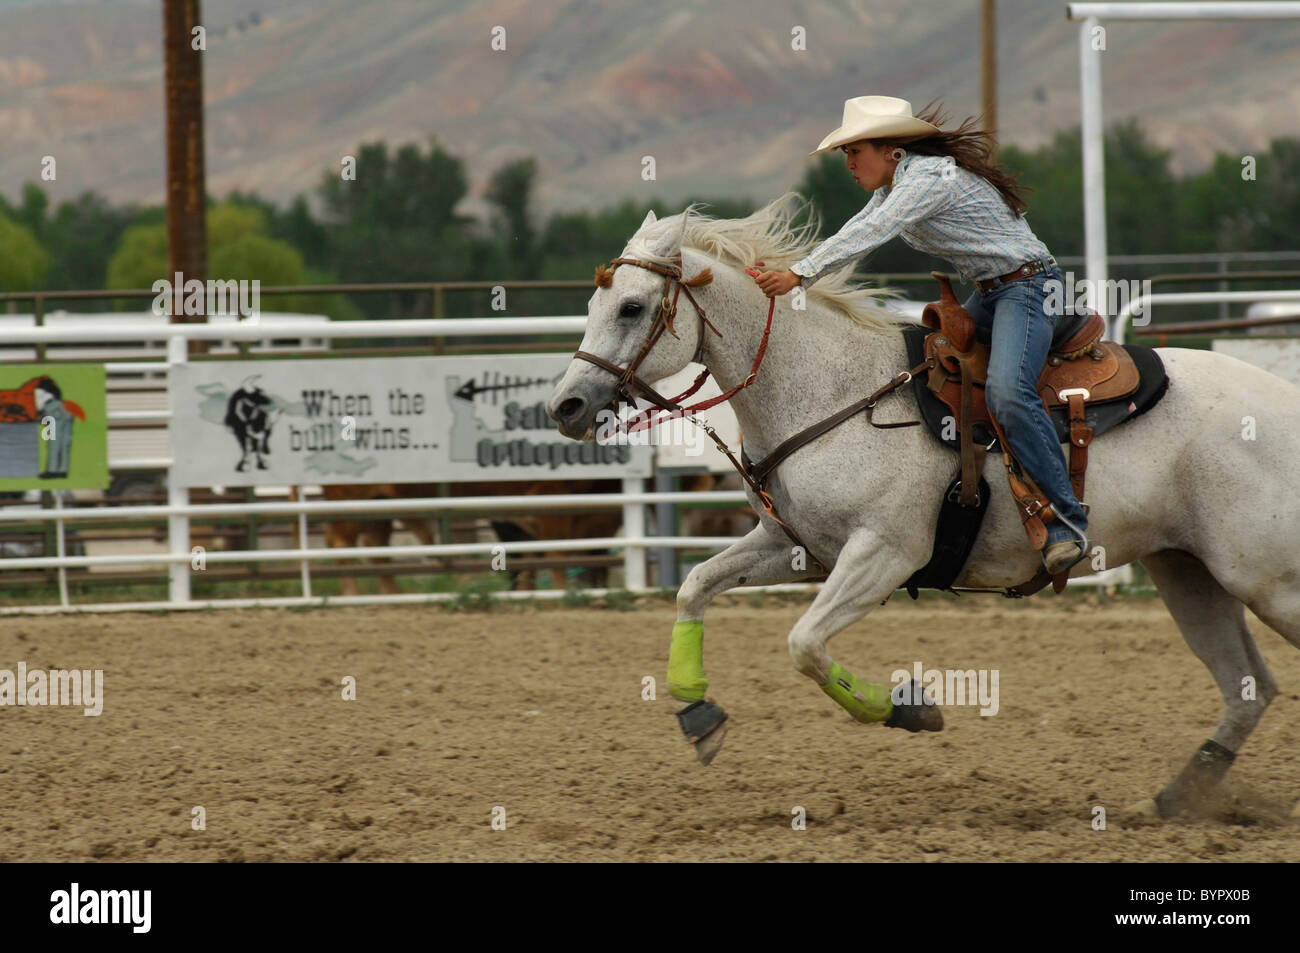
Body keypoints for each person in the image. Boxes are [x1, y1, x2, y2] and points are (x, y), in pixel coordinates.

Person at [751, 95, 1087, 574]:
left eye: (855, 151)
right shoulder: (901, 183)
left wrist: (800, 275)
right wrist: (791, 267)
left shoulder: (928, 177)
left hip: (1028, 290)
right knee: (927, 373)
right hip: (995, 292)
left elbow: (878, 229)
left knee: (1009, 393)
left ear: (892, 150)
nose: (848, 163)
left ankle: (1067, 522)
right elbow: (862, 225)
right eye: (845, 154)